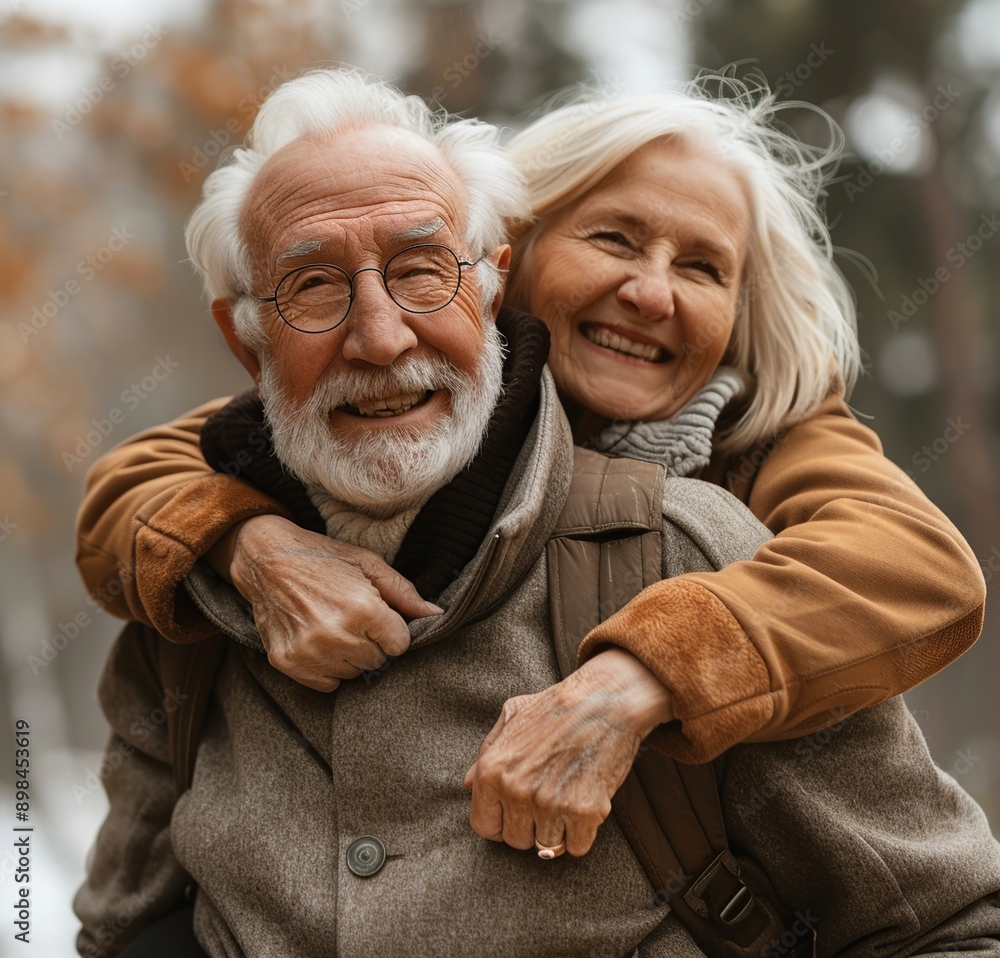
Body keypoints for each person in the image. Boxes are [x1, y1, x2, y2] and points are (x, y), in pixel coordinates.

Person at [74, 68, 1000, 958]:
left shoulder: (742, 474)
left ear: (486, 276)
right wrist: (247, 546)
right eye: (615, 239)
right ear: (516, 256)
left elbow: (920, 569)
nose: (652, 292)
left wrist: (637, 678)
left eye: (703, 267)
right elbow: (144, 480)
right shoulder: (291, 455)